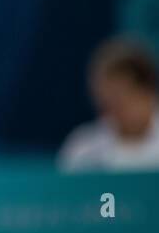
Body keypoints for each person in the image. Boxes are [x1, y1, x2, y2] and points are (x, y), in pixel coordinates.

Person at [58, 36, 159, 173]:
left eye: (120, 100)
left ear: (147, 91)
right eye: (105, 103)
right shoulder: (82, 148)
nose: (113, 112)